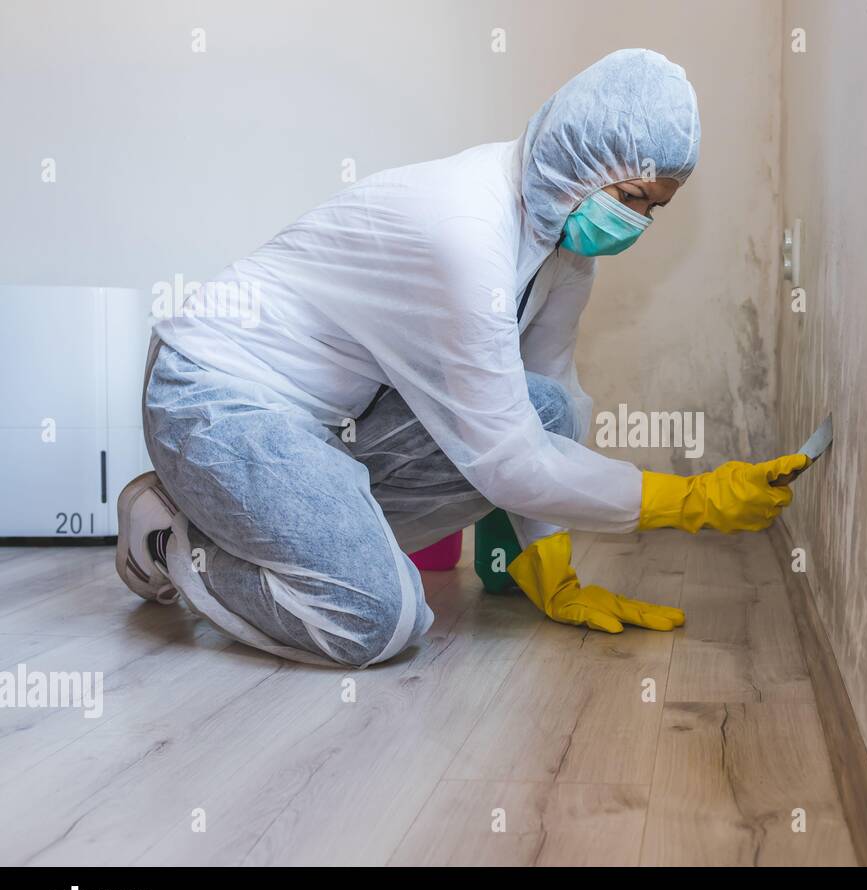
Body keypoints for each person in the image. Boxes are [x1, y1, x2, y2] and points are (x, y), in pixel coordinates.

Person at [115, 49, 806, 667]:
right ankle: (181, 539)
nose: (636, 224)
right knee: (377, 620)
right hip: (216, 393)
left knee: (551, 406)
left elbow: (547, 409)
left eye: (653, 209)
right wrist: (689, 501)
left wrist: (551, 567)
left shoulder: (563, 252)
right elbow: (508, 460)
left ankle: (262, 523)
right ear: (582, 156)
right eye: (630, 198)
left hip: (326, 424)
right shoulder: (464, 231)